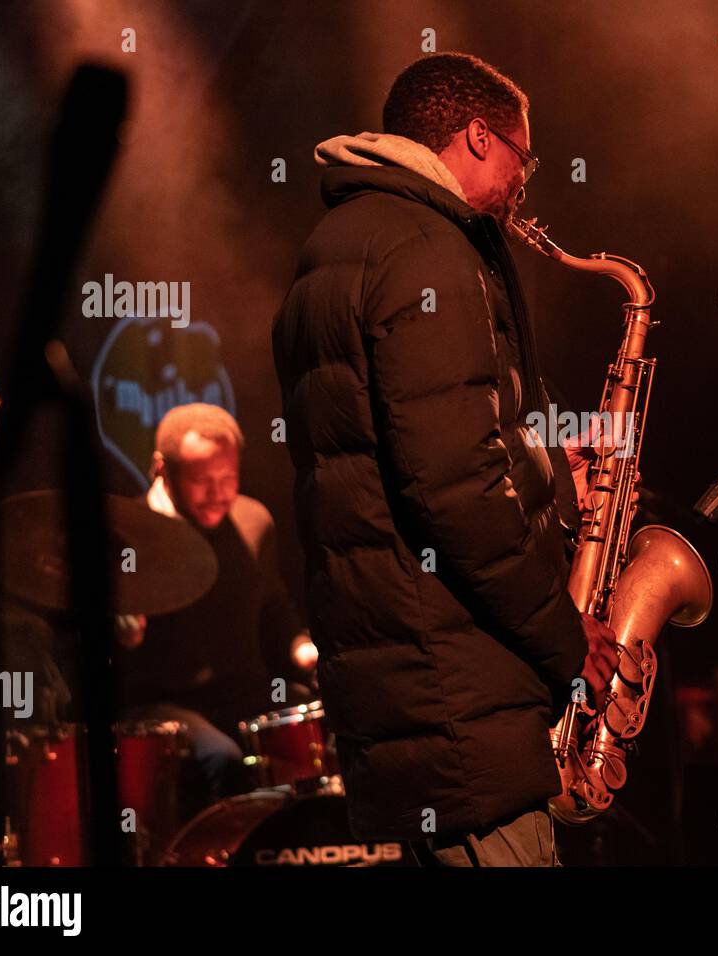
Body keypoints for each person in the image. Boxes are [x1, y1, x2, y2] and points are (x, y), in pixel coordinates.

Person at [271, 52, 618, 867]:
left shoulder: (338, 244)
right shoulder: (426, 247)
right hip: (462, 701)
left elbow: (398, 458)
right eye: (521, 158)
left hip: (410, 696)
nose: (525, 183)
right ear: (474, 136)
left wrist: (542, 477)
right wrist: (567, 637)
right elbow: (454, 488)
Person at [116, 403, 317, 799]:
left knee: (326, 726)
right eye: (201, 479)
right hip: (163, 706)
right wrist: (119, 635)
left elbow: (273, 608)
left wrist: (303, 649)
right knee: (222, 759)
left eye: (229, 477)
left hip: (244, 695)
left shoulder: (253, 521)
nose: (219, 493)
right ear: (161, 469)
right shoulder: (126, 536)